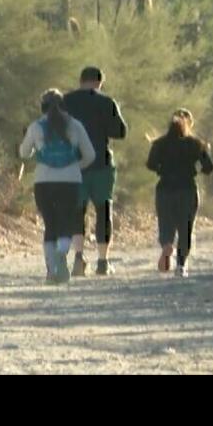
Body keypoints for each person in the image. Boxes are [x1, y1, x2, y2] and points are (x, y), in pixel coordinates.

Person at [19, 89, 95, 283]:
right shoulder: (76, 126)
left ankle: (51, 270)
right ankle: (62, 254)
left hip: (44, 181)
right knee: (66, 223)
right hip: (70, 181)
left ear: (42, 107)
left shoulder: (36, 126)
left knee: (50, 224)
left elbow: (24, 153)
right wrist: (75, 167)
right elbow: (90, 155)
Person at [63, 66, 128, 276]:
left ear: (80, 80)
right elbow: (121, 132)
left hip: (74, 165)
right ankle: (102, 261)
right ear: (100, 82)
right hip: (102, 163)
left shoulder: (66, 101)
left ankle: (78, 257)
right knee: (103, 209)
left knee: (77, 211)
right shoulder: (107, 102)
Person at [145, 109, 213, 278]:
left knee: (165, 223)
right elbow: (209, 168)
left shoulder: (159, 144)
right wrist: (196, 168)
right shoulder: (195, 144)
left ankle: (167, 245)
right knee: (186, 228)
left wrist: (162, 168)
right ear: (190, 124)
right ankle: (181, 265)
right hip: (187, 189)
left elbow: (150, 164)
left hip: (164, 189)